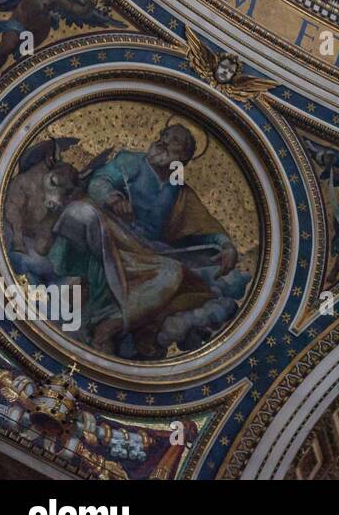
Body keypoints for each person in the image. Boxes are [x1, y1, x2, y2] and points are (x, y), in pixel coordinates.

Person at [47, 124, 239, 356]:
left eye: (174, 141)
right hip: (113, 233)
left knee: (173, 273)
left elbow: (205, 227)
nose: (163, 141)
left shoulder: (179, 190)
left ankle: (111, 326)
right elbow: (100, 180)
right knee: (79, 212)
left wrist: (226, 245)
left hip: (147, 253)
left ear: (184, 156)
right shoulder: (132, 162)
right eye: (163, 135)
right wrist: (112, 198)